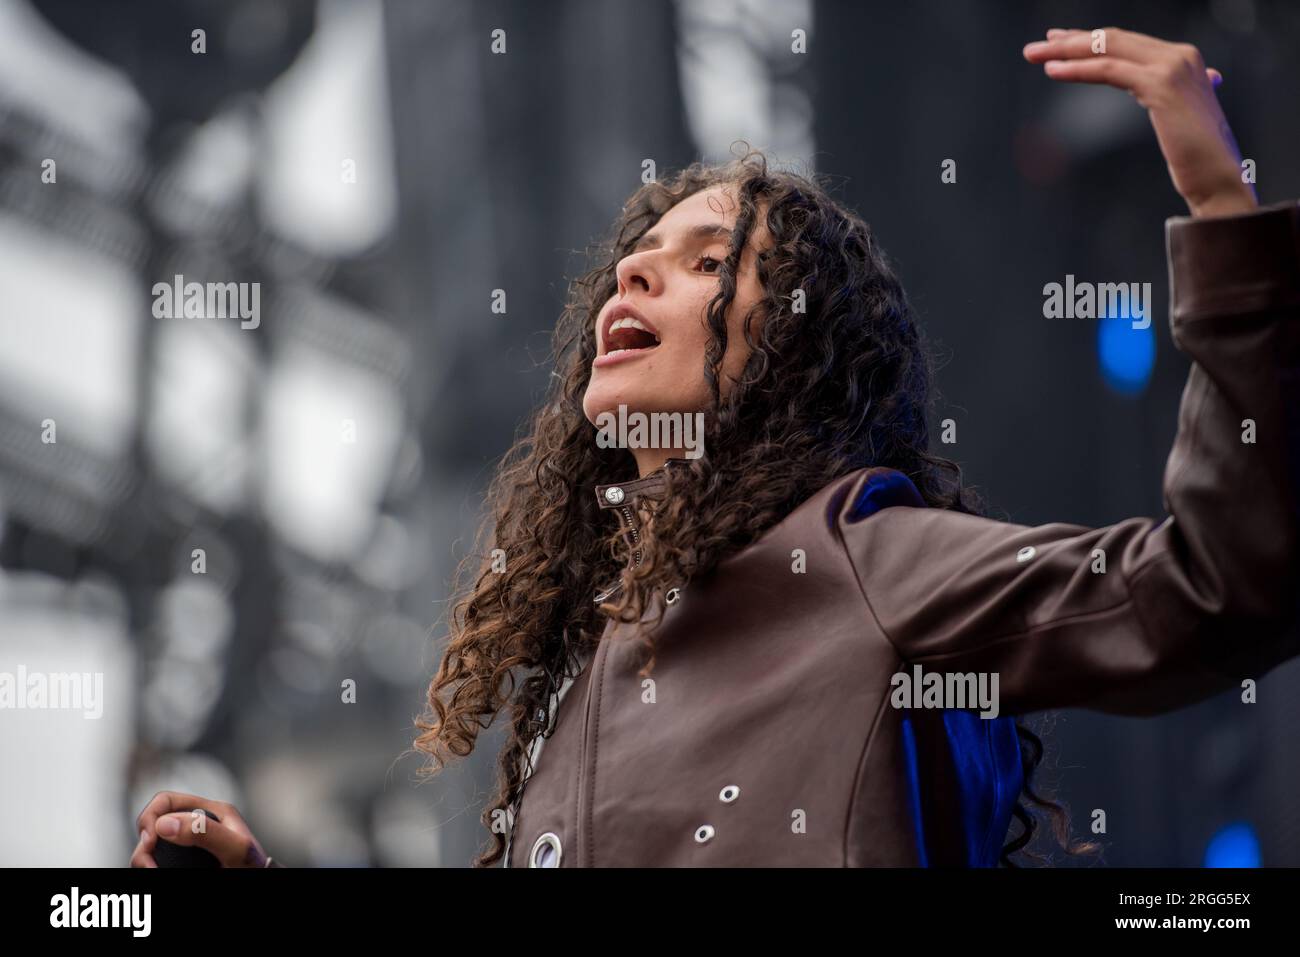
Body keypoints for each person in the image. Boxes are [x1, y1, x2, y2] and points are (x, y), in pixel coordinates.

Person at [131, 26, 1299, 869]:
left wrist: (1222, 212)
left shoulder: (865, 563)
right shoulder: (571, 679)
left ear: (789, 350)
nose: (634, 268)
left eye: (706, 261)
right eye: (641, 253)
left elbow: (1216, 585)